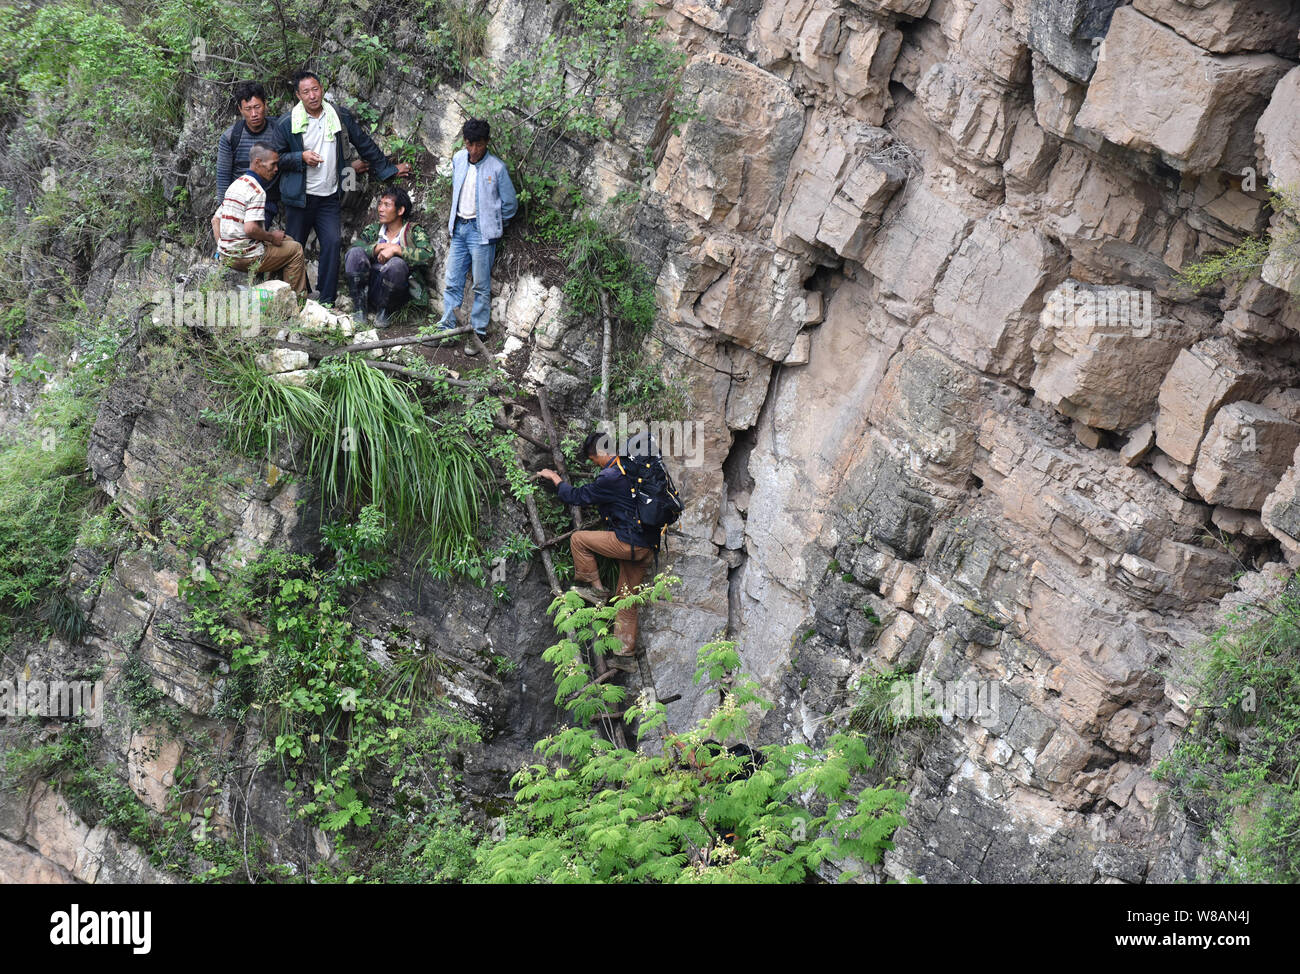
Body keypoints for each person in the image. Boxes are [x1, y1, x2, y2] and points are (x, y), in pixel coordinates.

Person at [270, 70, 411, 305]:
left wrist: (388, 169)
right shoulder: (287, 123)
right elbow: (276, 158)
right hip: (299, 198)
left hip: (329, 196)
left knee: (333, 244)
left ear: (322, 89)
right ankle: (298, 297)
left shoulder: (337, 116)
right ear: (298, 95)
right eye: (306, 92)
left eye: (315, 89)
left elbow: (363, 142)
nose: (312, 95)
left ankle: (326, 300)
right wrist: (300, 157)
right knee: (294, 248)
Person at [537, 431, 658, 671]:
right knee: (627, 600)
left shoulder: (612, 476)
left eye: (594, 460)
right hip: (648, 546)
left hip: (628, 544)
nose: (596, 465)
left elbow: (578, 496)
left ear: (602, 454)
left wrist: (555, 479)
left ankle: (595, 590)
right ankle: (625, 657)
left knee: (579, 539)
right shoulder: (634, 468)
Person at [436, 118, 517, 355]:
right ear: (465, 142)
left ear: (486, 143)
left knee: (481, 285)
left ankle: (477, 333)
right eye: (470, 144)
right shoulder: (459, 159)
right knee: (453, 281)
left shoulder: (497, 168)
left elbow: (510, 204)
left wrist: (492, 223)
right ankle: (447, 328)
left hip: (481, 234)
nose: (473, 150)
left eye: (478, 145)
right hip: (459, 228)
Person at [217, 145, 307, 294]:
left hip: (227, 254)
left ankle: (275, 292)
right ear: (258, 162)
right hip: (246, 256)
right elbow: (250, 228)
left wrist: (224, 249)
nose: (277, 169)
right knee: (296, 249)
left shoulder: (236, 184)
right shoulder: (257, 190)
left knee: (287, 240)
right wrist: (271, 237)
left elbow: (215, 220)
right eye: (273, 164)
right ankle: (295, 303)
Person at [343, 187, 434, 327]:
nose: (380, 209)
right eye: (380, 204)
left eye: (387, 205)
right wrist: (376, 248)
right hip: (371, 286)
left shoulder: (413, 231)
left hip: (398, 294)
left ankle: (385, 312)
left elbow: (428, 255)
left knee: (396, 264)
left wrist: (396, 249)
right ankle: (360, 308)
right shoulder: (374, 230)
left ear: (400, 210)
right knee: (355, 253)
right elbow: (352, 250)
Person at [211, 81, 281, 251]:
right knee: (219, 225)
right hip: (238, 200)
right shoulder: (231, 137)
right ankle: (224, 258)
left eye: (257, 107)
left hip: (266, 199)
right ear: (240, 109)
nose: (254, 113)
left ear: (266, 104)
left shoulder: (278, 131)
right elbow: (223, 175)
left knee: (251, 238)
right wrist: (224, 206)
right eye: (248, 109)